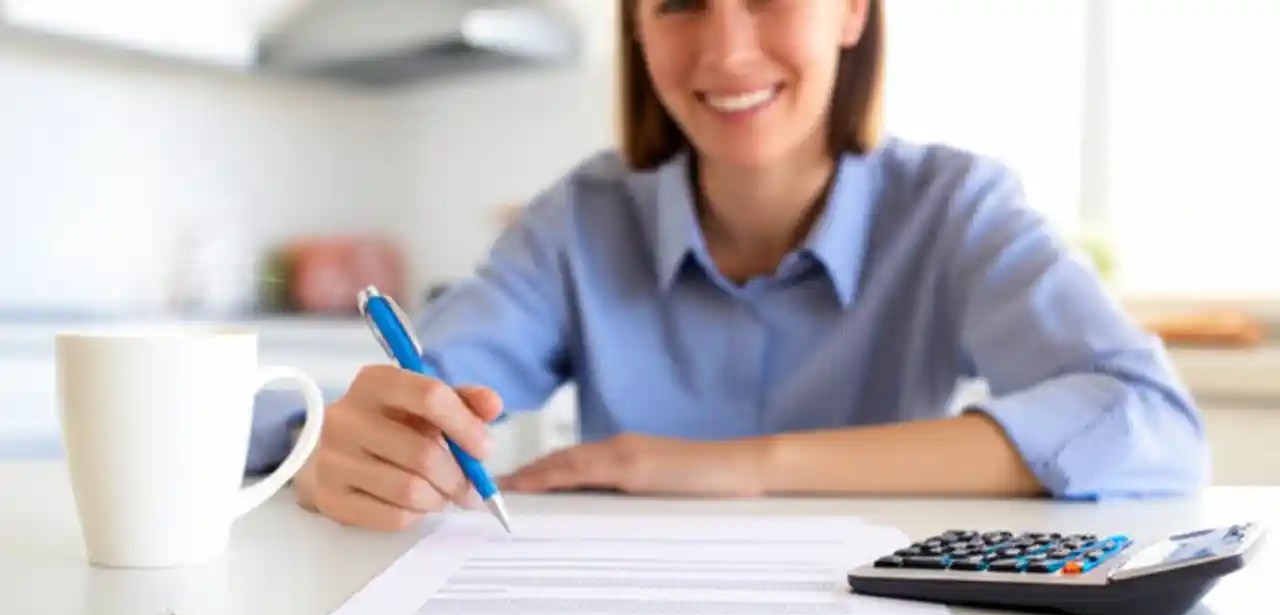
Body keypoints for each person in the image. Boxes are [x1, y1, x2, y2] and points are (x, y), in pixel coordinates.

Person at [248, 0, 1208, 531]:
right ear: (637, 27)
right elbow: (411, 394)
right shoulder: (577, 223)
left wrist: (740, 466)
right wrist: (341, 443)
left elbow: (1149, 424)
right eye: (679, 3)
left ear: (853, 11)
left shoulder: (955, 209)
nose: (727, 48)